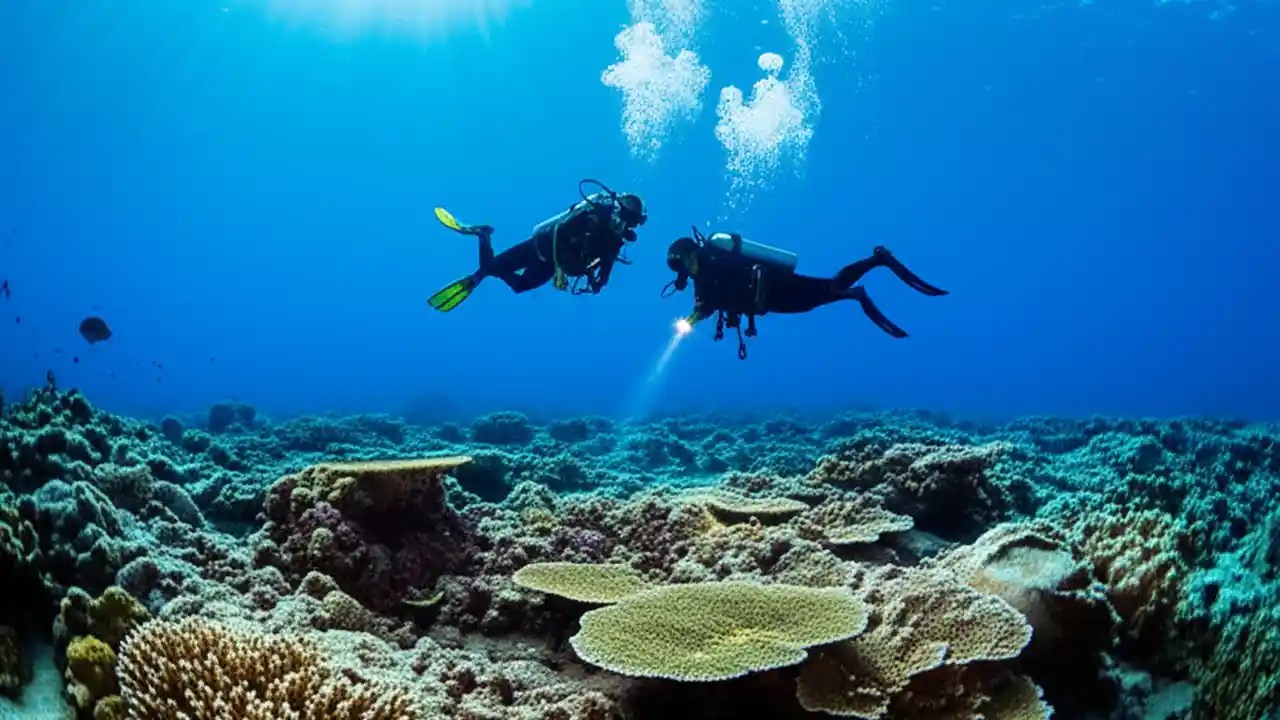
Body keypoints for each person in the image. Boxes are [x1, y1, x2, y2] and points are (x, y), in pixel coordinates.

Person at [664, 229, 947, 358]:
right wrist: (689, 321)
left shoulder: (714, 258)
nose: (684, 269)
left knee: (828, 287)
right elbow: (706, 306)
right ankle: (858, 291)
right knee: (817, 299)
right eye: (679, 266)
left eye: (682, 261)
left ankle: (877, 260)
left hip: (776, 287)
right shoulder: (700, 281)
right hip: (770, 302)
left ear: (690, 252)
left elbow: (723, 291)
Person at [428, 180, 647, 312]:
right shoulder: (596, 214)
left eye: (633, 222)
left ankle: (483, 266)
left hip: (551, 265)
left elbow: (606, 267)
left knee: (518, 286)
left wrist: (599, 283)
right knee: (489, 268)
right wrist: (561, 272)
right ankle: (483, 238)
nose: (626, 224)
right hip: (540, 246)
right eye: (627, 217)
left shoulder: (614, 241)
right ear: (620, 208)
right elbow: (561, 230)